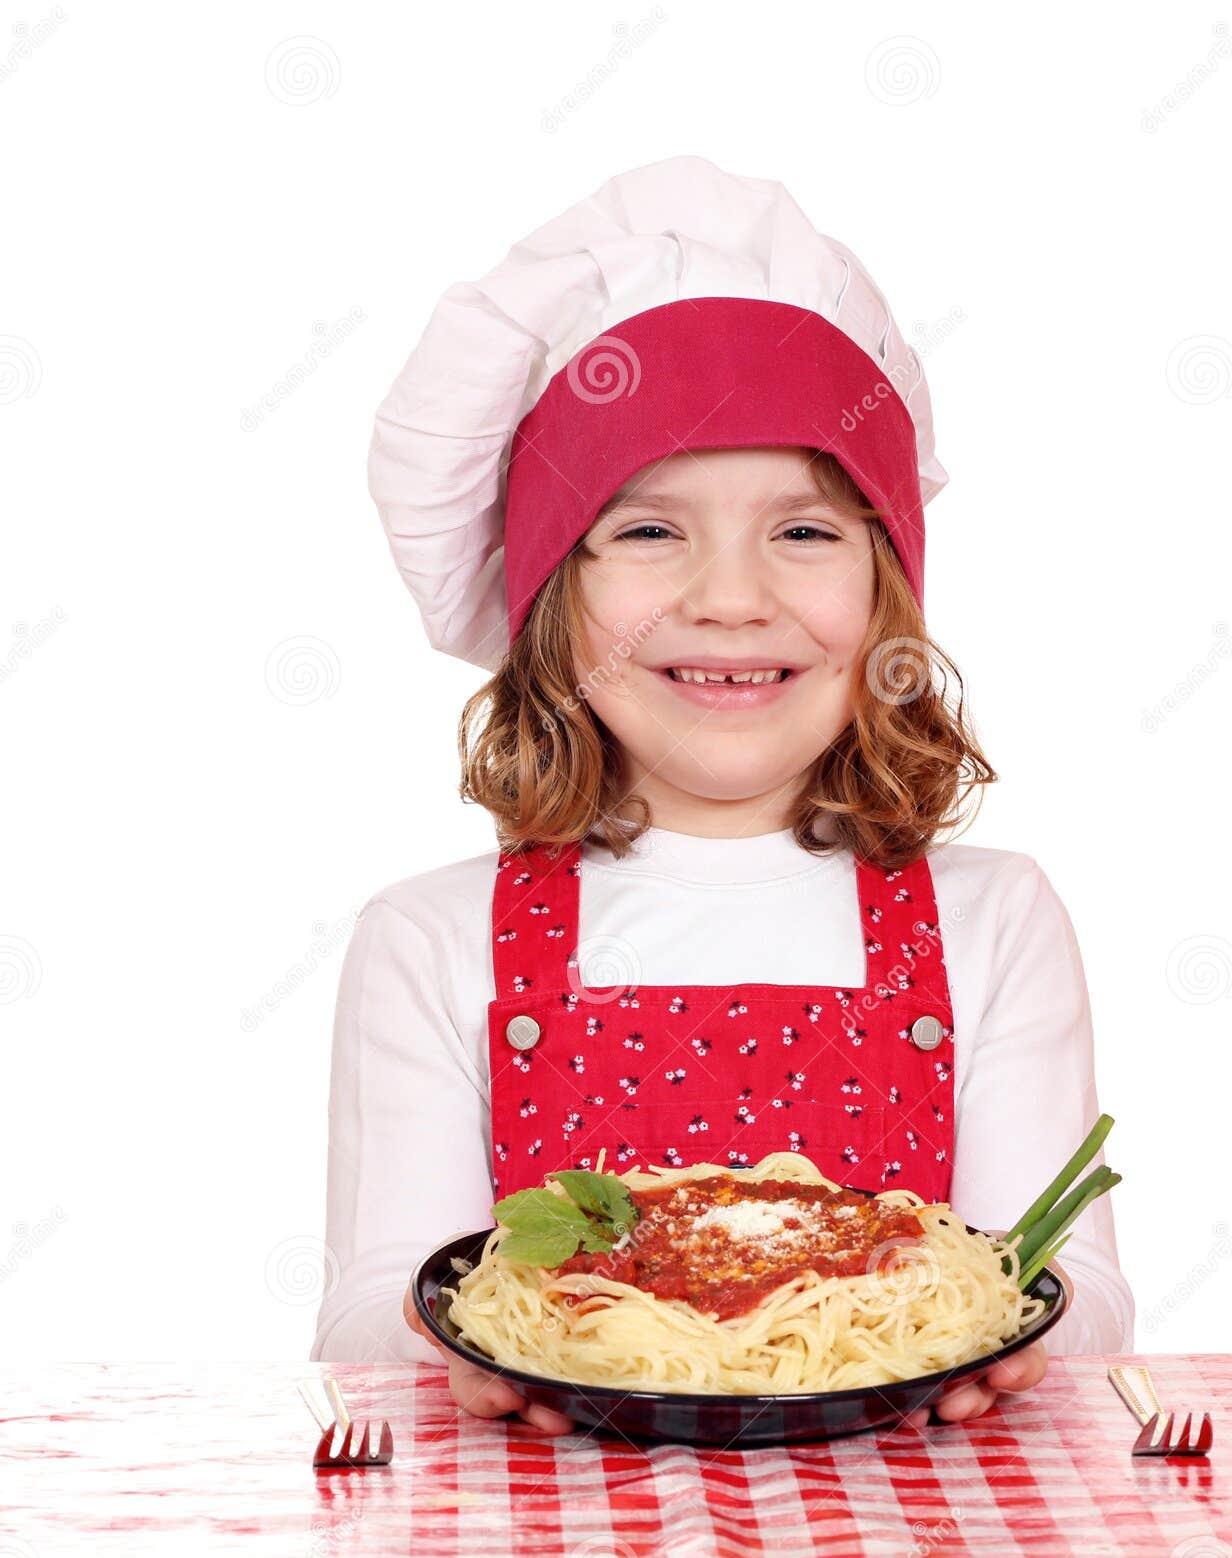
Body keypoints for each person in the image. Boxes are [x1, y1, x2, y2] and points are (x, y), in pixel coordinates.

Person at [314, 156, 1133, 1434]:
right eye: (647, 532)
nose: (732, 598)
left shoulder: (995, 917)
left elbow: (1066, 1281)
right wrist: (455, 1356)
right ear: (547, 604)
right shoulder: (428, 938)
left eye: (804, 532)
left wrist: (1026, 1333)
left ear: (885, 594)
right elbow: (376, 1306)